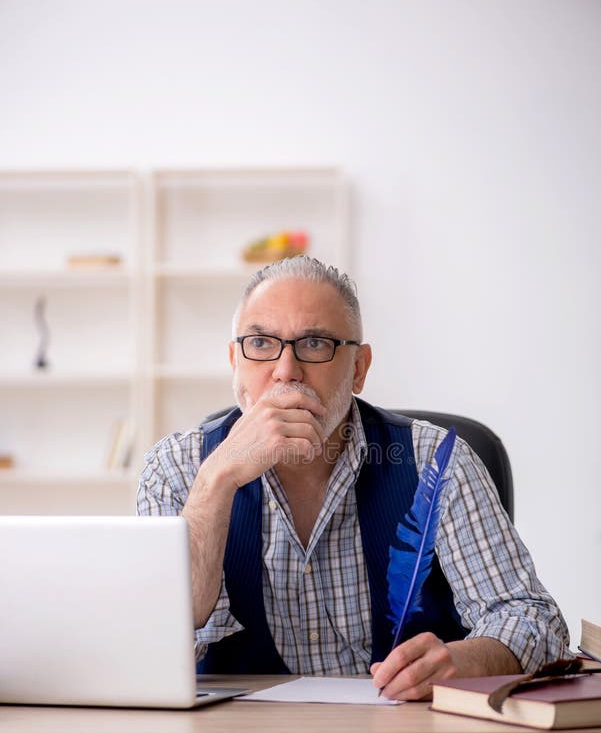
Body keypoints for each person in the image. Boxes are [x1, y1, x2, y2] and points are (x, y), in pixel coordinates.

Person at [137, 256, 570, 700]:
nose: (285, 370)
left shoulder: (437, 460)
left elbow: (533, 617)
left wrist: (465, 660)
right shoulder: (175, 469)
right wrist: (216, 480)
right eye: (262, 343)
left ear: (359, 369)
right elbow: (153, 639)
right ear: (235, 361)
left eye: (315, 343)